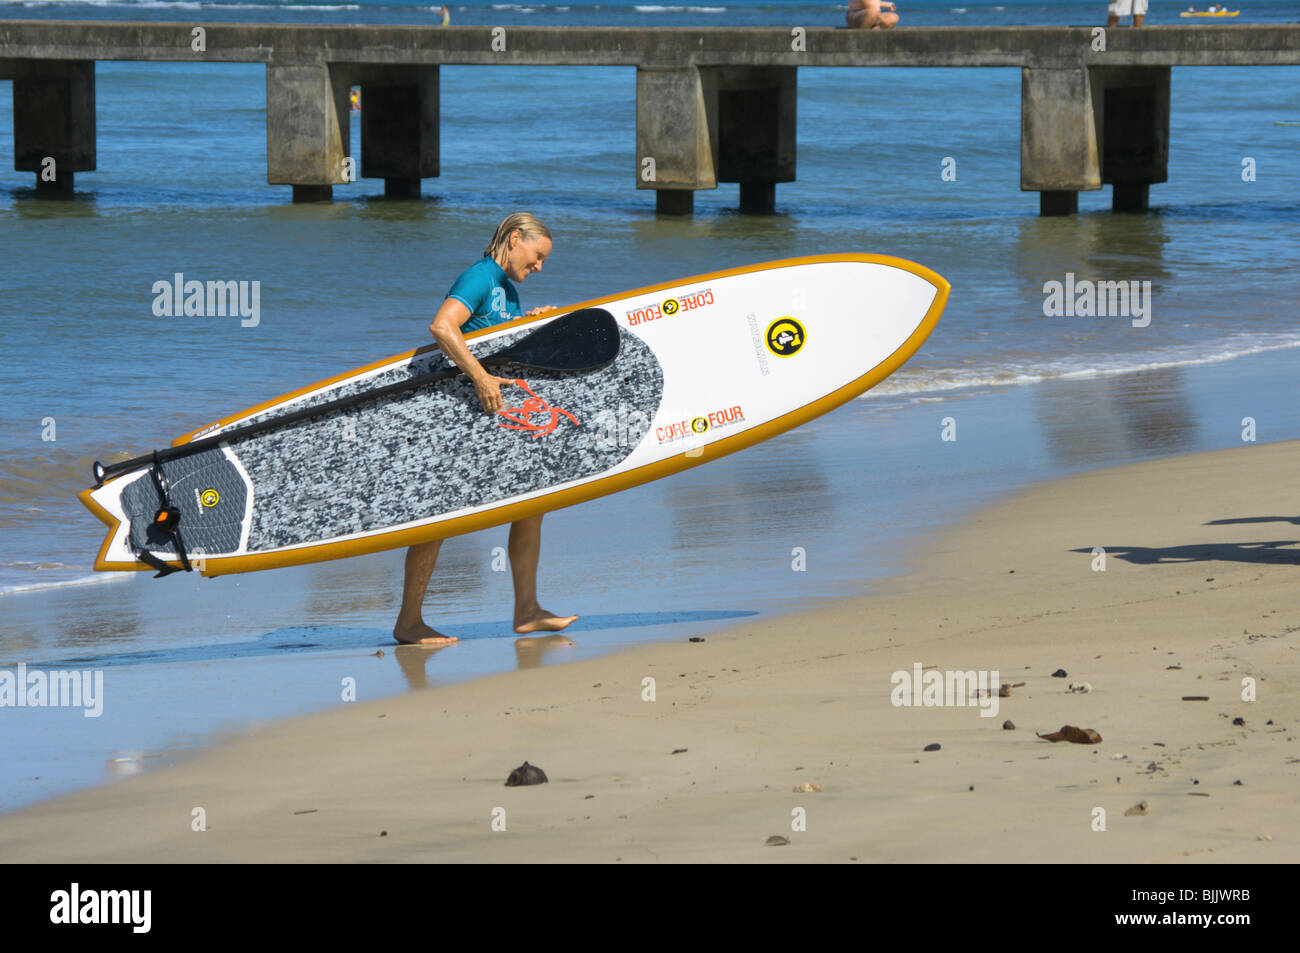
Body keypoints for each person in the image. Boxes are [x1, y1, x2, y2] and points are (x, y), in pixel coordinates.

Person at [393, 213, 578, 645]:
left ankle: (528, 610)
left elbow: (494, 343)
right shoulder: (480, 277)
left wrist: (530, 324)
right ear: (515, 239)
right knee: (439, 518)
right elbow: (442, 326)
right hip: (459, 416)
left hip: (491, 419)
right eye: (537, 257)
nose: (539, 268)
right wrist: (479, 377)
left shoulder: (507, 291)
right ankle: (408, 622)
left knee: (532, 500)